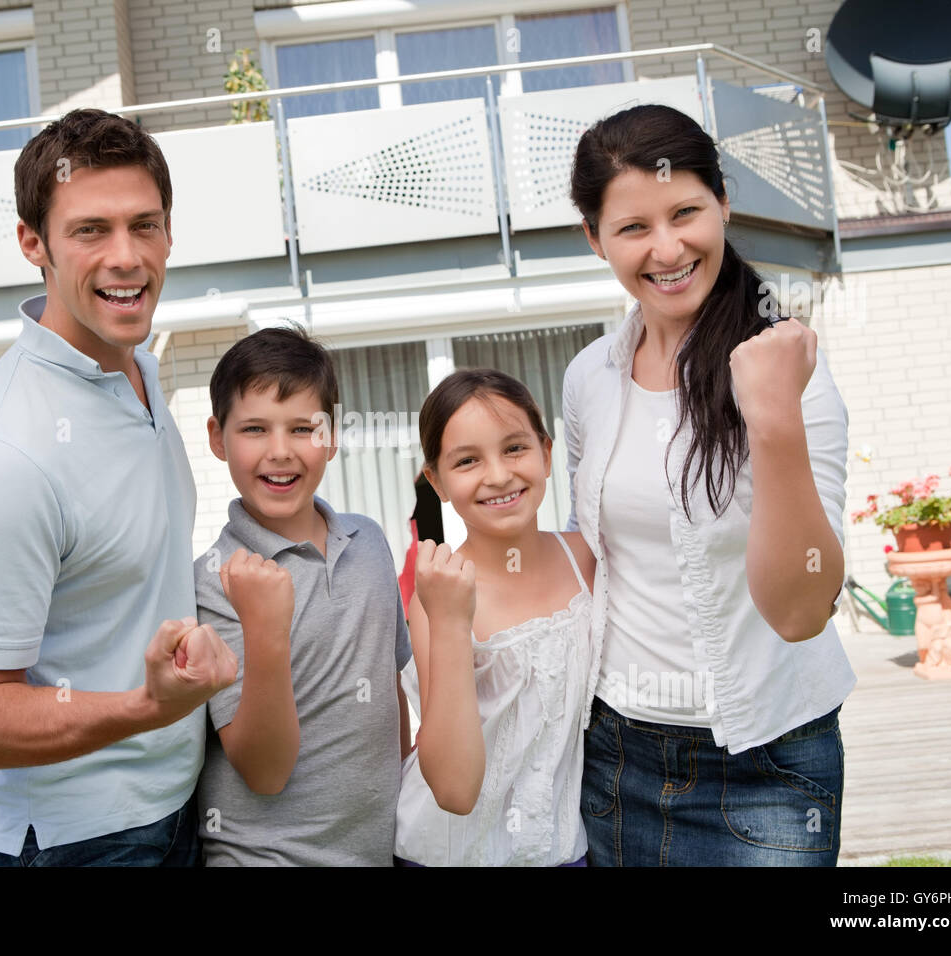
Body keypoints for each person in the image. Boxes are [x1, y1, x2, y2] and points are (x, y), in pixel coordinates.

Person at [0, 108, 237, 867]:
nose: (127, 257)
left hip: (172, 805)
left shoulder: (135, 370)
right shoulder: (4, 454)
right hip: (74, 844)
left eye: (145, 225)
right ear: (33, 243)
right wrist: (145, 707)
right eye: (90, 230)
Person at [563, 103, 854, 866]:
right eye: (632, 228)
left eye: (686, 212)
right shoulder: (589, 376)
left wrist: (774, 422)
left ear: (723, 201)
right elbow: (593, 555)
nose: (667, 249)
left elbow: (802, 609)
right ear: (595, 239)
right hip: (614, 753)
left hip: (765, 766)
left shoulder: (793, 375)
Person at [193, 325, 413, 866]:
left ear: (332, 435)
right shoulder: (214, 582)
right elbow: (265, 772)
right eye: (254, 429)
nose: (280, 452)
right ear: (218, 438)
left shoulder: (369, 543)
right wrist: (265, 626)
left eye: (302, 428)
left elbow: (390, 696)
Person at [394, 368, 596, 866]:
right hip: (448, 854)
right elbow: (455, 790)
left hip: (560, 850)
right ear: (437, 481)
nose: (499, 475)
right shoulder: (439, 595)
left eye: (514, 448)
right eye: (467, 461)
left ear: (546, 454)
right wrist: (450, 623)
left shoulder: (588, 558)